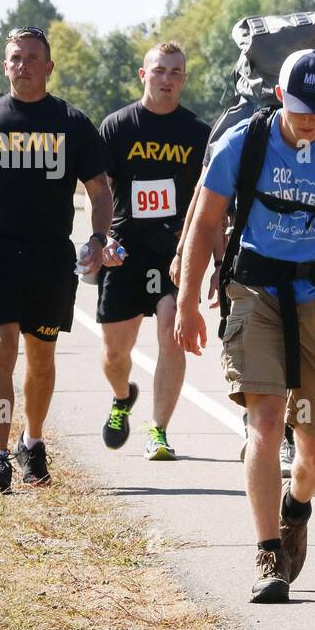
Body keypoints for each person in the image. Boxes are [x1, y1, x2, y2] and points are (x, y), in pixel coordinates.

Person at [175, 49, 315, 604]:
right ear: (280, 95)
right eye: (300, 106)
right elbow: (206, 220)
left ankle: (296, 506)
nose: (309, 118)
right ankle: (267, 553)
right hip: (256, 290)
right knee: (265, 419)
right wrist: (188, 302)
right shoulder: (246, 142)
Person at [0, 27, 122, 493]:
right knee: (1, 347)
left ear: (48, 66)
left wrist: (100, 237)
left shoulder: (72, 122)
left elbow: (100, 190)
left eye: (32, 57)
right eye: (15, 57)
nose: (22, 64)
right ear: (5, 66)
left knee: (40, 357)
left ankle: (32, 440)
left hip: (48, 255)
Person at [96, 42, 211, 460]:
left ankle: (158, 430)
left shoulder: (198, 133)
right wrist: (101, 238)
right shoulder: (117, 126)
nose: (167, 79)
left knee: (171, 334)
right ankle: (122, 396)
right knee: (114, 353)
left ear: (183, 78)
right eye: (159, 71)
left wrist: (216, 260)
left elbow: (209, 203)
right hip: (124, 250)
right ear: (143, 75)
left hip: (173, 252)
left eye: (176, 72)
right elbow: (98, 191)